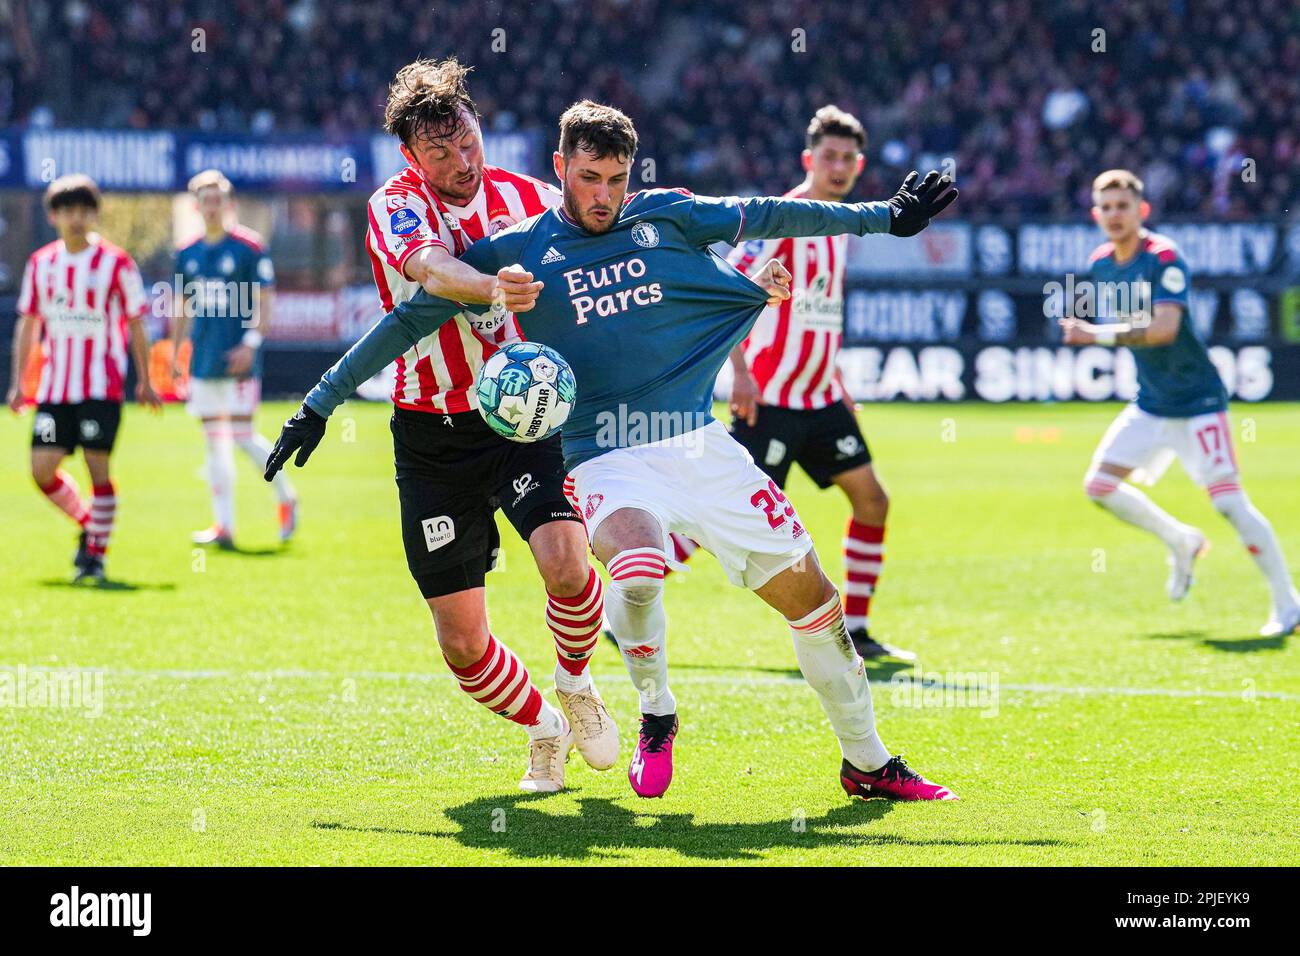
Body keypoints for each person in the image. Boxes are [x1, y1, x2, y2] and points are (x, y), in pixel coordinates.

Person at [267, 101, 960, 803]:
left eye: (617, 179)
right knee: (636, 567)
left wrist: (884, 217)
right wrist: (318, 403)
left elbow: (780, 214)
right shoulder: (518, 247)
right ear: (561, 169)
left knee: (814, 603)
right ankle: (656, 711)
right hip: (602, 453)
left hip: (699, 443)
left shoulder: (667, 214)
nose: (604, 195)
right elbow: (408, 319)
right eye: (590, 177)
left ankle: (867, 763)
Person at [328, 57, 620, 793]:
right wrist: (493, 286)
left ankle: (576, 686)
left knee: (568, 564)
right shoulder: (395, 203)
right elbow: (429, 268)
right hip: (431, 435)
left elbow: (606, 245)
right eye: (441, 154)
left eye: (468, 143)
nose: (462, 163)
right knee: (462, 645)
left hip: (521, 419)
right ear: (410, 158)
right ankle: (541, 727)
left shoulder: (526, 195)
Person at [1060, 169, 1299, 637]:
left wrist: (1095, 335)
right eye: (1105, 207)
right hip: (1151, 403)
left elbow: (1165, 329)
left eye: (1122, 206)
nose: (1114, 215)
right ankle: (1181, 540)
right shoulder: (1101, 263)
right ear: (1095, 214)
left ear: (1141, 210)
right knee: (1099, 487)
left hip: (1198, 401)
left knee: (1230, 504)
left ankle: (1287, 604)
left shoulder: (1164, 257)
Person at [726, 105, 912, 661]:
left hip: (822, 396)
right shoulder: (784, 216)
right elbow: (734, 287)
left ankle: (856, 627)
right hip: (772, 398)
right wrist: (739, 372)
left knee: (873, 500)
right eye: (828, 156)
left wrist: (834, 375)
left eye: (847, 157)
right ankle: (632, 599)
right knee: (722, 516)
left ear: (859, 163)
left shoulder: (841, 223)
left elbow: (818, 311)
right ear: (810, 159)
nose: (838, 166)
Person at [6, 174, 161, 582]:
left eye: (83, 210)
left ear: (94, 214)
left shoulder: (116, 263)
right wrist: (19, 382)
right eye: (67, 211)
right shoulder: (41, 263)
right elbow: (28, 324)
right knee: (41, 470)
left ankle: (95, 557)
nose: (76, 218)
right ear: (53, 215)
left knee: (98, 470)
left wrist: (145, 379)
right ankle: (91, 526)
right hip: (55, 388)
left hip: (100, 386)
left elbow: (136, 323)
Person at [172, 169, 297, 548]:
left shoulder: (249, 248)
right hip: (204, 359)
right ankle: (223, 526)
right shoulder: (187, 253)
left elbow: (265, 300)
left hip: (239, 358)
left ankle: (286, 497)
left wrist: (252, 343)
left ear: (228, 204)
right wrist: (175, 350)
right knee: (214, 443)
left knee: (241, 435)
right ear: (197, 206)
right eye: (205, 201)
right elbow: (182, 306)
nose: (212, 208)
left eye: (218, 200)